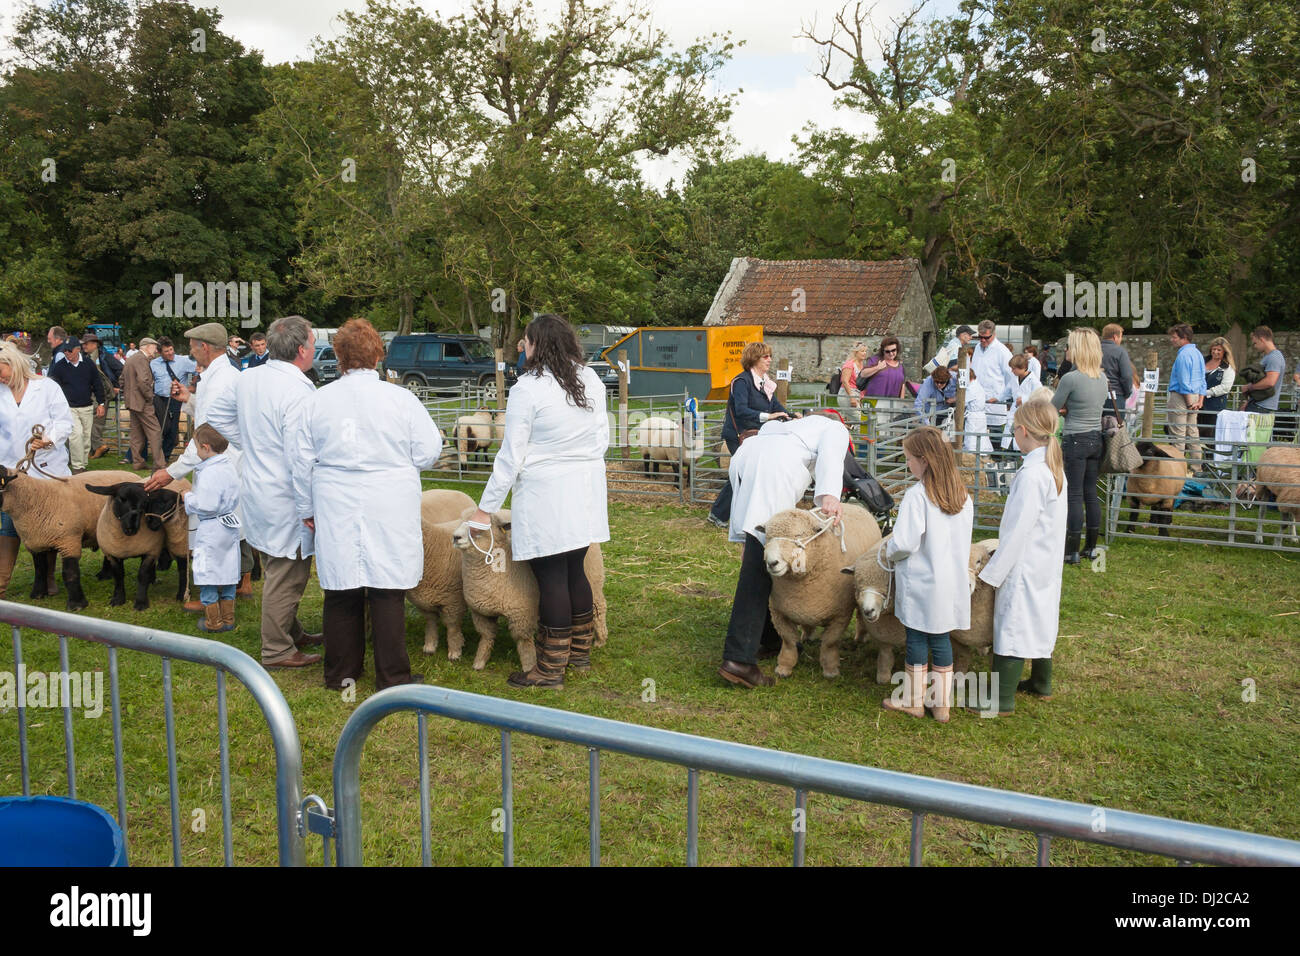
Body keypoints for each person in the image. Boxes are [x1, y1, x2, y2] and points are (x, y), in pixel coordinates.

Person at [293, 319, 441, 690]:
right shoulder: (401, 399)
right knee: (387, 587)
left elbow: (299, 460)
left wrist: (306, 508)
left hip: (336, 496)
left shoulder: (318, 401)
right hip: (388, 497)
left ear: (339, 356)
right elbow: (427, 451)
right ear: (378, 355)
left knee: (341, 588)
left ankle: (341, 673)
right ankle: (392, 676)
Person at [466, 314, 610, 690]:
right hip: (583, 487)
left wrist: (484, 509)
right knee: (574, 566)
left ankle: (550, 668)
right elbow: (602, 439)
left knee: (551, 577)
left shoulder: (528, 388)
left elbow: (510, 455)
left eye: (526, 342)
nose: (522, 348)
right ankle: (578, 654)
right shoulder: (590, 378)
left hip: (547, 492)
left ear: (538, 345)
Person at [206, 315, 322, 670]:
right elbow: (302, 457)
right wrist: (308, 508)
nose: (315, 350)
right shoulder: (299, 390)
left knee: (275, 565)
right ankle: (276, 649)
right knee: (288, 573)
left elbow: (214, 414)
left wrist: (253, 444)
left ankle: (291, 631)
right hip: (285, 495)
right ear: (302, 350)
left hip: (257, 487)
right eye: (314, 344)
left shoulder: (248, 376)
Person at [719, 412, 848, 689]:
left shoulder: (788, 427)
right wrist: (830, 498)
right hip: (774, 470)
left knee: (760, 558)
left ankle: (768, 639)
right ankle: (739, 658)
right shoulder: (835, 428)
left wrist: (743, 539)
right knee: (758, 571)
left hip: (746, 459)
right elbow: (833, 456)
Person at [144, 322, 257, 607]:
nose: (191, 353)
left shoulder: (220, 381)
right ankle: (233, 588)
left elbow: (206, 438)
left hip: (220, 465)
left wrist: (170, 472)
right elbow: (214, 416)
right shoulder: (220, 376)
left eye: (193, 347)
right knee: (230, 528)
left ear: (204, 347)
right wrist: (190, 399)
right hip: (225, 464)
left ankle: (216, 600)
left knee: (216, 532)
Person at [974, 398, 1067, 717]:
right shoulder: (1053, 469)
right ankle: (1042, 683)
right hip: (1045, 561)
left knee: (1012, 624)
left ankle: (1001, 699)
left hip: (1025, 563)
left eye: (1014, 428)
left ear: (1023, 431)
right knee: (1040, 619)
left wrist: (991, 574)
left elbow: (1016, 532)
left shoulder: (1032, 475)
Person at [880, 426, 973, 722]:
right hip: (950, 581)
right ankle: (941, 705)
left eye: (909, 458)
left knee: (917, 637)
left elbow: (905, 542)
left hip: (922, 582)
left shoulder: (917, 496)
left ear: (925, 460)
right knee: (941, 638)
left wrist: (888, 549)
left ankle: (914, 701)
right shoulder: (962, 497)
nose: (908, 464)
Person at [0, 342, 73, 597]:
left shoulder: (46, 387)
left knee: (47, 525)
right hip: (10, 469)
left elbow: (64, 421)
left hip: (45, 465)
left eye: (2, 372)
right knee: (9, 523)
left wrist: (49, 438)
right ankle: (1, 583)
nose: (0, 378)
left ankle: (47, 578)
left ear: (15, 366)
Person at [708, 341, 791, 528]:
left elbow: (775, 406)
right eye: (765, 357)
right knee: (743, 473)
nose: (770, 360)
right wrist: (768, 416)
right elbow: (741, 410)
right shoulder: (741, 382)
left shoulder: (765, 384)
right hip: (738, 435)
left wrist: (790, 415)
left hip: (754, 436)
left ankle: (724, 513)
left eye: (770, 356)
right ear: (754, 359)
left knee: (747, 473)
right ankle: (718, 514)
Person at [1052, 328, 1109, 563]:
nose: (1066, 350)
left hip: (1075, 437)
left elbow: (1052, 407)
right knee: (1090, 493)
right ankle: (1091, 547)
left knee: (1073, 494)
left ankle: (1071, 550)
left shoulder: (1071, 378)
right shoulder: (1102, 377)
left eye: (1069, 346)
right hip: (1096, 438)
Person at [183, 424, 241, 634]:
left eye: (196, 446)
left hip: (212, 526)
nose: (196, 451)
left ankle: (213, 622)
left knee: (207, 570)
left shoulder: (209, 473)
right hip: (228, 524)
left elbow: (206, 504)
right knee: (227, 568)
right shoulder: (228, 466)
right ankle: (228, 617)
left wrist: (188, 497)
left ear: (206, 447)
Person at [47, 338, 107, 474]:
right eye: (65, 350)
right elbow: (52, 386)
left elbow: (97, 383)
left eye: (69, 350)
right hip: (69, 408)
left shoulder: (88, 364)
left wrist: (101, 403)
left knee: (86, 438)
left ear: (77, 349)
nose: (67, 353)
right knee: (76, 435)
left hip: (86, 406)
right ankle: (77, 466)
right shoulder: (60, 366)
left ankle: (83, 463)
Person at [971, 320, 1015, 481]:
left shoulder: (1002, 352)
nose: (982, 341)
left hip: (995, 405)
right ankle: (980, 478)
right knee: (977, 442)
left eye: (986, 338)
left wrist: (1001, 397)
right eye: (980, 337)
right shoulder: (977, 348)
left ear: (994, 334)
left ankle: (996, 480)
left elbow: (1012, 378)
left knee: (995, 443)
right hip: (977, 404)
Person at [150, 337, 197, 463]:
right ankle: (162, 451)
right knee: (162, 428)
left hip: (175, 398)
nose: (170, 353)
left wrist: (192, 384)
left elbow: (198, 370)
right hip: (159, 399)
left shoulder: (184, 361)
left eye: (171, 349)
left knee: (173, 428)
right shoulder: (154, 363)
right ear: (160, 353)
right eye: (166, 351)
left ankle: (165, 456)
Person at [121, 337, 162, 469]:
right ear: (147, 347)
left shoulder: (131, 359)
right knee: (155, 432)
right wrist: (150, 397)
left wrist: (129, 395)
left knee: (136, 434)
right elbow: (143, 381)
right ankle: (160, 463)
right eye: (155, 347)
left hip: (132, 403)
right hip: (142, 403)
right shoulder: (141, 359)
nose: (156, 350)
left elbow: (121, 380)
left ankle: (138, 462)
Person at [1166, 323, 1205, 458]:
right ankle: (1197, 468)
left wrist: (1189, 404)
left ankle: (1178, 469)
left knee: (1178, 435)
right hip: (1195, 396)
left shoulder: (1182, 356)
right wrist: (1200, 401)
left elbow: (1183, 382)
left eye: (1175, 337)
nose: (1172, 339)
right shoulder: (1198, 354)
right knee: (1193, 433)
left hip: (1182, 397)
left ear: (1185, 338)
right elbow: (1202, 379)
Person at [81, 332, 122, 459]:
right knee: (90, 421)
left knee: (96, 421)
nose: (84, 346)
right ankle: (93, 448)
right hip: (91, 393)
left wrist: (116, 385)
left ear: (94, 344)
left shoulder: (104, 356)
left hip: (102, 393)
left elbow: (120, 369)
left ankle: (97, 446)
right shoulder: (86, 357)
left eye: (86, 344)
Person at [1199, 337, 1237, 447]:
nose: (1215, 352)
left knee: (1210, 435)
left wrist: (1207, 392)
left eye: (1219, 350)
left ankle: (1209, 461)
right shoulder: (1202, 361)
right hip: (1197, 404)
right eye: (1214, 349)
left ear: (1225, 351)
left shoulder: (1227, 368)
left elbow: (1225, 387)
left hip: (1214, 406)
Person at [1000, 354, 1042, 452]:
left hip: (1027, 414)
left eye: (1014, 369)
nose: (1012, 371)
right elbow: (1007, 392)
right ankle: (1010, 461)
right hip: (1014, 413)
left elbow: (1040, 397)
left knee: (1023, 445)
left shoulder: (1034, 381)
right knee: (1010, 443)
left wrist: (1024, 400)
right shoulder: (1014, 378)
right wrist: (996, 398)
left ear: (1022, 368)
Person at [1241, 325, 1286, 415]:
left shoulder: (1274, 357)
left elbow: (1270, 382)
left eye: (1255, 343)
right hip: (1258, 405)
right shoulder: (1269, 356)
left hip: (1262, 407)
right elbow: (1263, 380)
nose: (1254, 346)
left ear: (1262, 339)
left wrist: (1249, 387)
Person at [1100, 324, 1134, 423]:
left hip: (1094, 395)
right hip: (1115, 396)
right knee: (1114, 430)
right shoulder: (1120, 351)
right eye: (1121, 336)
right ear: (1115, 336)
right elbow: (1127, 376)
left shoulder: (1093, 350)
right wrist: (1127, 393)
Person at [837, 343, 869, 432]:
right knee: (861, 422)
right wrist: (852, 398)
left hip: (857, 395)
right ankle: (865, 444)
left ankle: (845, 433)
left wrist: (861, 397)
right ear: (856, 352)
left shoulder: (863, 365)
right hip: (847, 394)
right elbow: (844, 381)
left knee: (855, 422)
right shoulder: (849, 364)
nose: (864, 353)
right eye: (862, 351)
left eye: (865, 351)